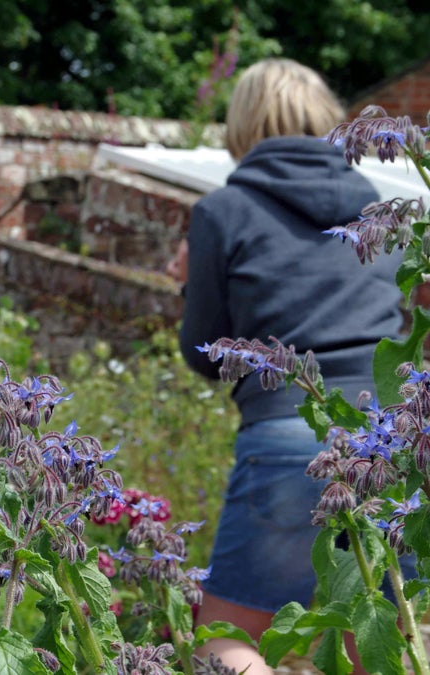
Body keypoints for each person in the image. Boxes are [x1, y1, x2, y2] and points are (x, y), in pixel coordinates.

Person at [180, 59, 405, 673]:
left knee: (224, 641)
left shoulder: (223, 212)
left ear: (243, 125)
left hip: (287, 439)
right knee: (388, 640)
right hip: (393, 442)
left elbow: (206, 352)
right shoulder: (379, 214)